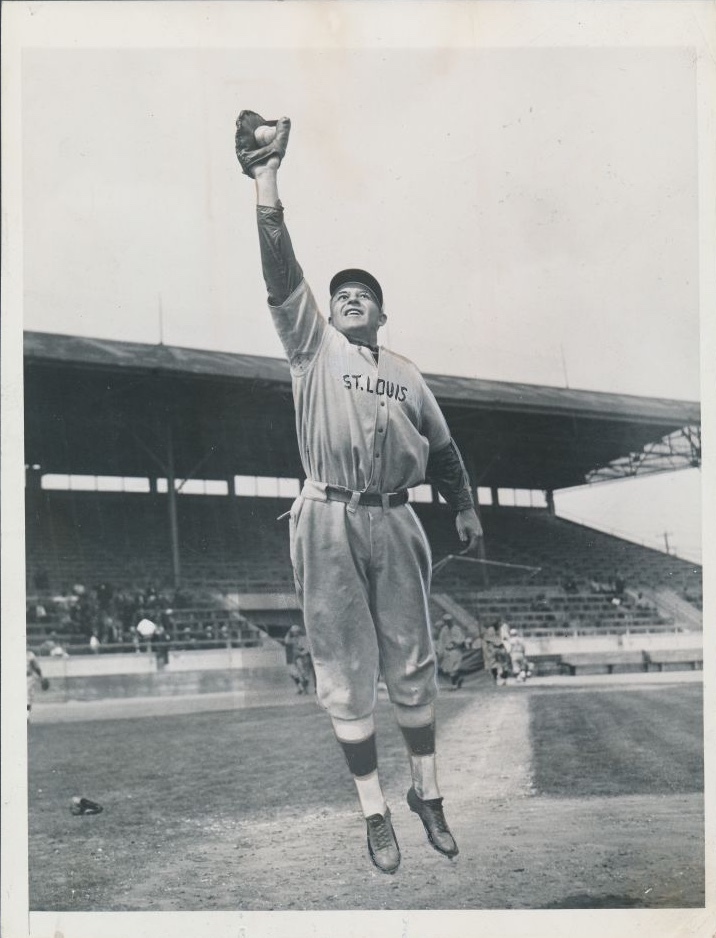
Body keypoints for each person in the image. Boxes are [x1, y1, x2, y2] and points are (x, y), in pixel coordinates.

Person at [235, 111, 483, 874]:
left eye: (362, 295)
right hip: (328, 514)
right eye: (341, 292)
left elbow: (443, 450)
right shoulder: (313, 348)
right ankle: (374, 811)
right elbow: (283, 275)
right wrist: (266, 183)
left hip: (398, 521)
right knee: (345, 669)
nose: (348, 298)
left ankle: (428, 795)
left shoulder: (408, 372)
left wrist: (466, 507)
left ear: (381, 311)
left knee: (412, 661)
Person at [435, 614, 468, 690]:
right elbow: (441, 641)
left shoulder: (456, 629)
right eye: (446, 621)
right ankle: (458, 679)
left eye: (449, 621)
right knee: (449, 670)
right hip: (447, 651)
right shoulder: (444, 630)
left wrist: (455, 643)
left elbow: (461, 639)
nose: (448, 623)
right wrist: (439, 651)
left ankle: (454, 685)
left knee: (454, 669)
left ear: (452, 621)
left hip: (455, 651)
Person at [283, 624, 314, 695]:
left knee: (305, 675)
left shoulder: (304, 638)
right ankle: (301, 688)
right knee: (294, 674)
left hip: (304, 658)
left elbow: (307, 648)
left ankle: (305, 689)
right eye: (293, 632)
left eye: (296, 632)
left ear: (299, 631)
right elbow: (286, 641)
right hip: (295, 659)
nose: (294, 633)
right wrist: (289, 632)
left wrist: (301, 653)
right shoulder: (292, 639)